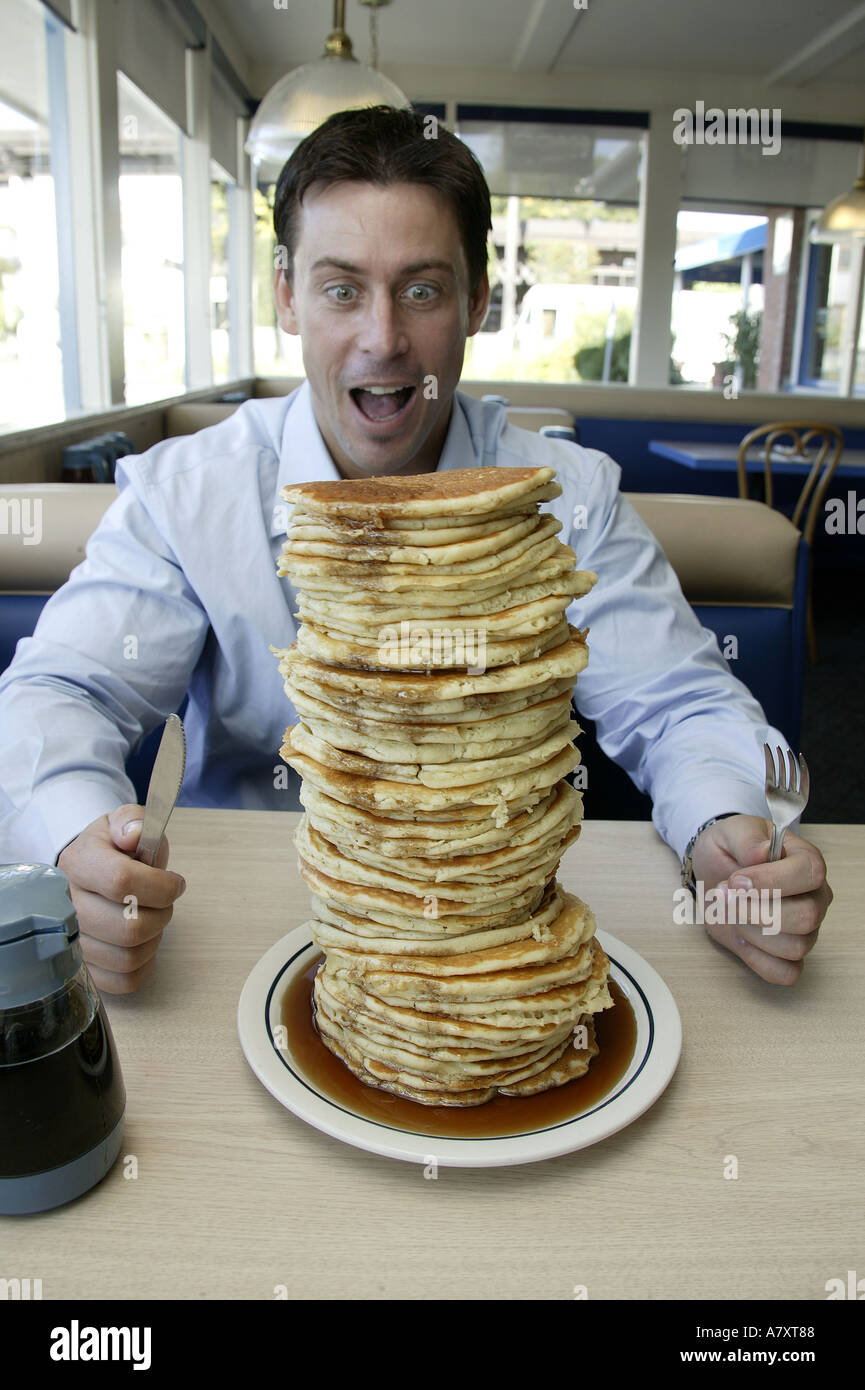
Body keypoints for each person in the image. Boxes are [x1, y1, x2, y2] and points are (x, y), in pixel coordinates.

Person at [0, 107, 831, 995]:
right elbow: (62, 691)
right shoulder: (187, 495)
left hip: (492, 938)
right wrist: (77, 842)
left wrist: (728, 834)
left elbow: (676, 702)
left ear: (477, 300)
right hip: (238, 934)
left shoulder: (564, 495)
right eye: (342, 288)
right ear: (287, 295)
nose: (383, 338)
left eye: (424, 290)